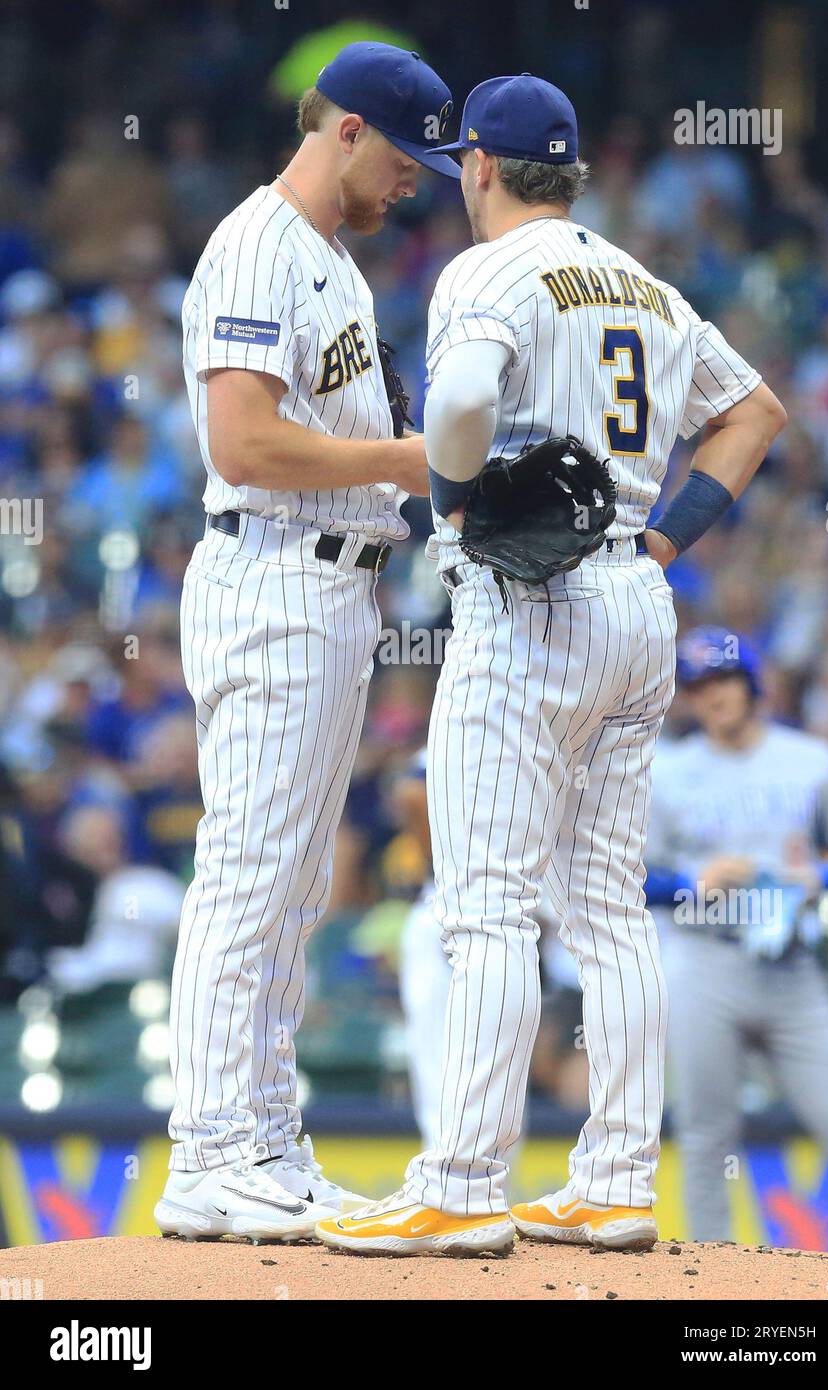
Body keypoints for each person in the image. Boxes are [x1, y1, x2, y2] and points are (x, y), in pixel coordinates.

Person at [316, 73, 786, 1258]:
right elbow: (755, 413)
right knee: (610, 914)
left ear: (477, 166)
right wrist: (670, 533)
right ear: (564, 173)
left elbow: (465, 394)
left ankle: (464, 1183)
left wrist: (454, 501)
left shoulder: (488, 270)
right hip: (635, 594)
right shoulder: (643, 282)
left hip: (530, 604)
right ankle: (616, 1180)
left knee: (484, 908)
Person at [155, 42, 460, 1245]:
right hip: (274, 571)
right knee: (248, 877)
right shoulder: (258, 244)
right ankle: (209, 1152)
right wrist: (409, 456)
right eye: (402, 155)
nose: (416, 182)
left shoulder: (328, 258)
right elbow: (242, 443)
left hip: (332, 588)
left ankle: (265, 1136)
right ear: (343, 130)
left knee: (289, 891)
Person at [649, 626, 828, 1242]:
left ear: (750, 683)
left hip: (790, 967)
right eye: (697, 685)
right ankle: (708, 1277)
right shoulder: (668, 771)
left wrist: (821, 874)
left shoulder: (811, 760)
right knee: (704, 1132)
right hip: (704, 961)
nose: (710, 695)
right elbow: (630, 880)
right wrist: (691, 880)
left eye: (720, 679)